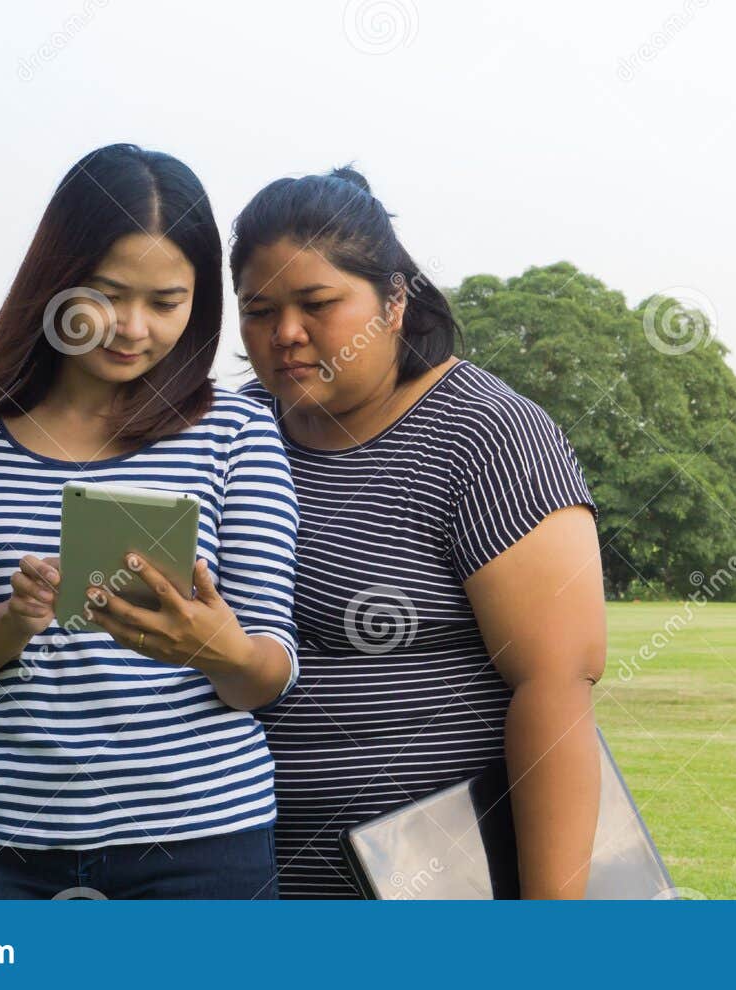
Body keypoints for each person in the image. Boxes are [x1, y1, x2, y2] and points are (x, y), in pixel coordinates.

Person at [0, 144, 298, 899]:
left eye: (166, 302)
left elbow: (265, 675)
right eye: (105, 294)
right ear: (55, 280)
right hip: (2, 855)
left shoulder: (236, 432)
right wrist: (14, 620)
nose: (131, 328)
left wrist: (213, 645)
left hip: (201, 850)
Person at [230, 166, 608, 898]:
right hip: (234, 880)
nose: (284, 334)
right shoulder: (232, 432)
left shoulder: (487, 434)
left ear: (394, 301)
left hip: (442, 890)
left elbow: (556, 683)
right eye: (258, 309)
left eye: (316, 303)